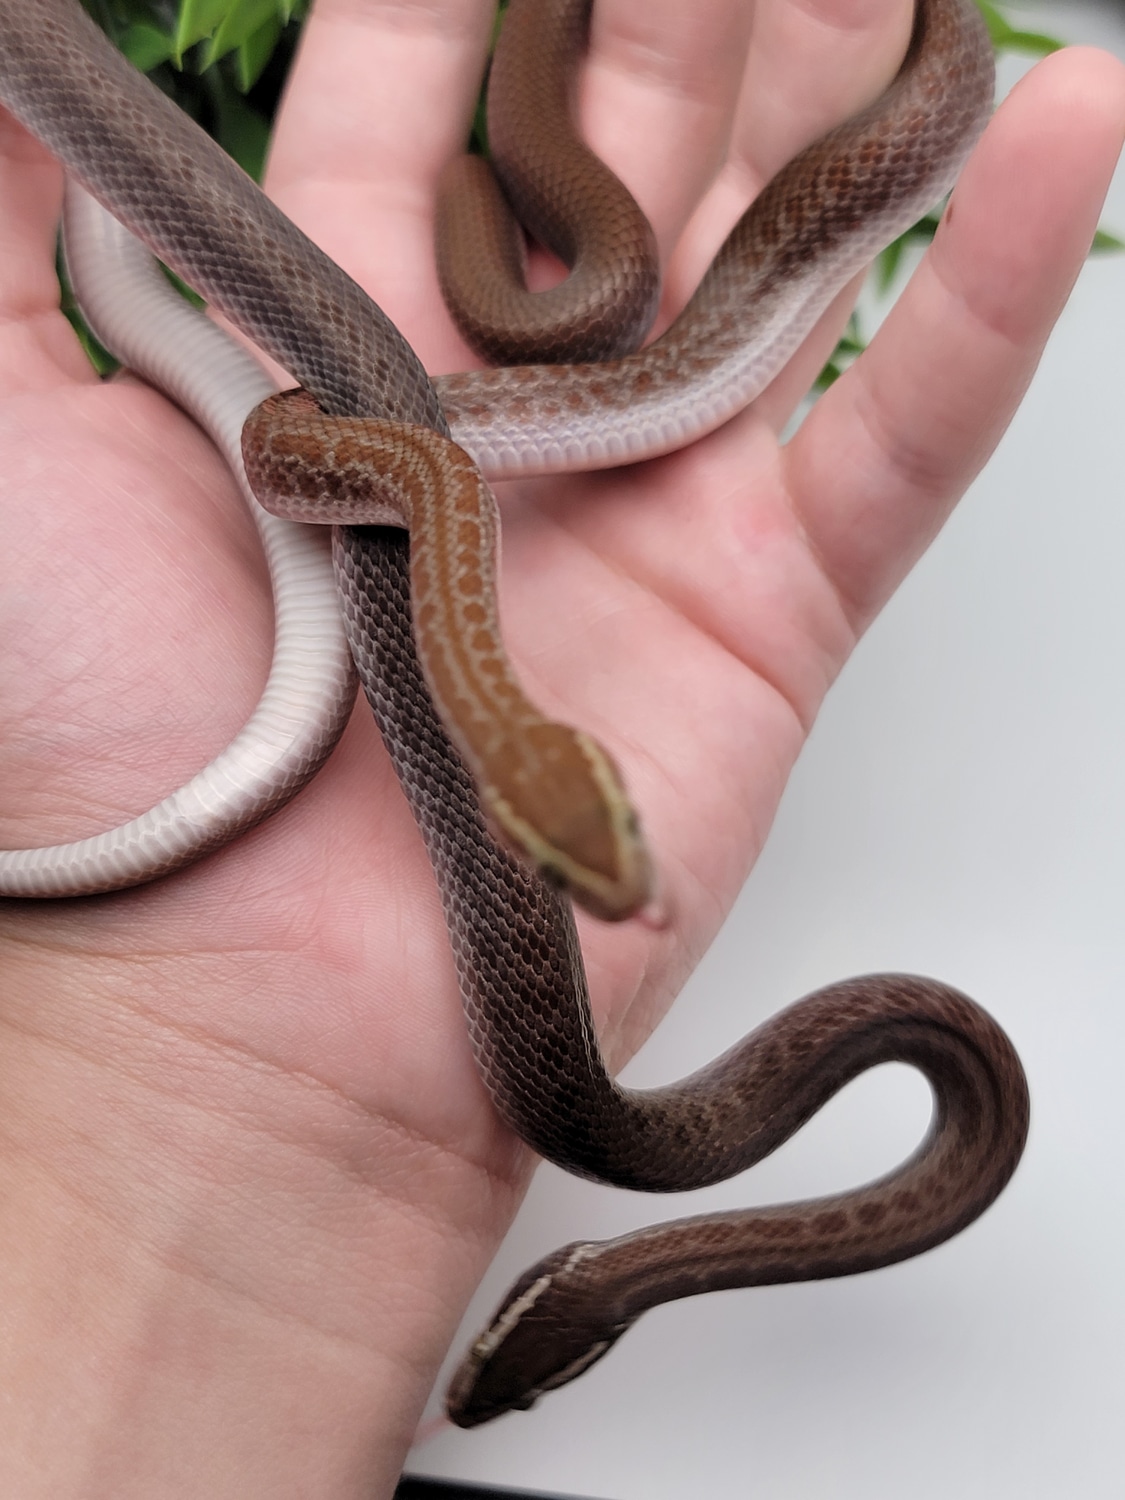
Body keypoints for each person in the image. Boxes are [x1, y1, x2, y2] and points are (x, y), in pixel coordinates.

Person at [0, 0, 1122, 1492]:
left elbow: (340, 451)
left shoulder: (401, 469)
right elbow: (304, 450)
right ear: (562, 764)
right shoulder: (394, 473)